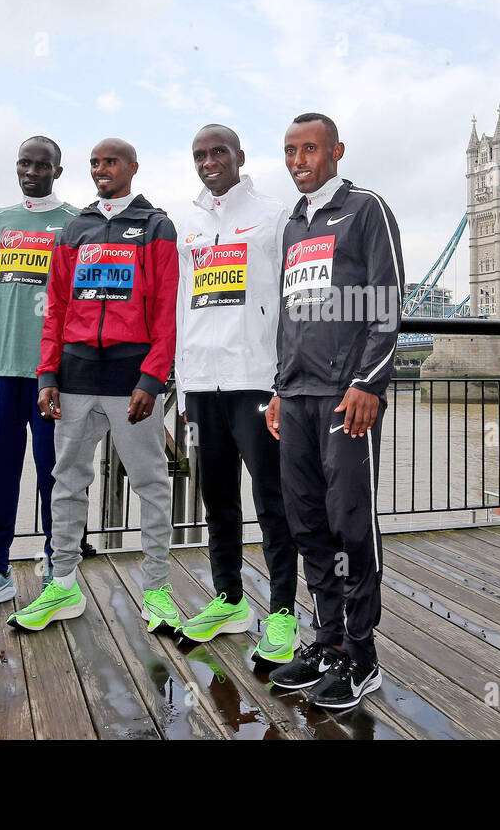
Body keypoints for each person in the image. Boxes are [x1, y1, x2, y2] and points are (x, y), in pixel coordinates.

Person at [8, 138, 181, 632]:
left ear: (133, 167)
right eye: (95, 163)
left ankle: (156, 590)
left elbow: (166, 311)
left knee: (150, 485)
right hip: (75, 377)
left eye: (111, 162)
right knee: (66, 483)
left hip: (132, 383)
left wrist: (153, 376)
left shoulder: (156, 227)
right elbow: (55, 308)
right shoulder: (75, 230)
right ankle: (61, 586)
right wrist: (47, 374)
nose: (101, 169)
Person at [264, 113, 404, 709]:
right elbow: (291, 316)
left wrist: (368, 382)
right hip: (294, 398)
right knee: (307, 523)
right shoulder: (292, 224)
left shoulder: (366, 209)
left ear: (337, 151)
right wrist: (277, 388)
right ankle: (324, 641)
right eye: (290, 150)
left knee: (350, 522)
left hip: (347, 398)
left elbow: (388, 301)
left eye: (310, 149)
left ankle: (360, 654)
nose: (299, 160)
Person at [173, 124, 300, 661]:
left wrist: (282, 384)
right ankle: (228, 598)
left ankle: (283, 612)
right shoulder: (186, 223)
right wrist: (181, 387)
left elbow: (293, 302)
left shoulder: (274, 215)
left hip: (256, 381)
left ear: (239, 156)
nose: (209, 161)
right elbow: (181, 305)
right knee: (217, 501)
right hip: (202, 383)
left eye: (218, 152)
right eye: (200, 154)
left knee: (272, 501)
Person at [0, 137, 80, 613]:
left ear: (57, 171)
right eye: (24, 163)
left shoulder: (76, 223)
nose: (31, 171)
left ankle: (56, 568)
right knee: (1, 472)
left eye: (41, 165)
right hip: (3, 369)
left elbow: (79, 303)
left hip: (51, 374)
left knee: (54, 476)